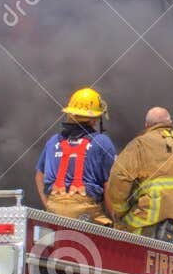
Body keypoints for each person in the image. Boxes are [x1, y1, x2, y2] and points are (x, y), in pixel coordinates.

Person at [104, 107, 173, 246]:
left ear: (147, 125)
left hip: (150, 218)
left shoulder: (139, 146)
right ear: (170, 122)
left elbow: (119, 180)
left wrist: (121, 211)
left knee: (123, 230)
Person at [34, 87, 118, 223]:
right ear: (94, 119)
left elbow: (39, 175)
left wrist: (48, 205)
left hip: (54, 207)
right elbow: (109, 184)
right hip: (86, 210)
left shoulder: (53, 141)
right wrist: (113, 218)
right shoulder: (102, 142)